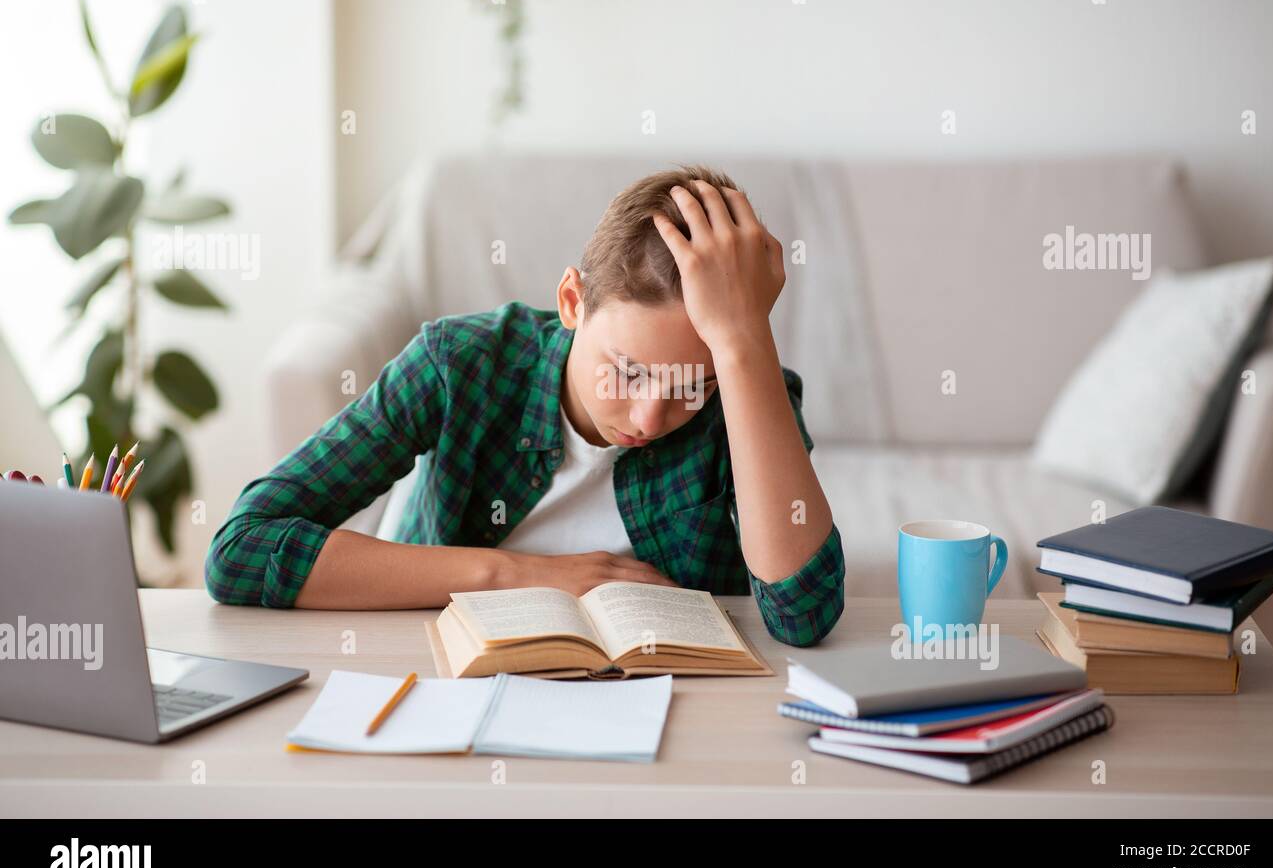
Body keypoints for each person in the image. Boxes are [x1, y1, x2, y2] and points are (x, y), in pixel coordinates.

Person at [205, 165, 844, 646]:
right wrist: (517, 573)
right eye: (625, 372)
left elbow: (802, 614)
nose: (650, 418)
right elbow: (242, 551)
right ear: (572, 301)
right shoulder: (460, 364)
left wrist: (742, 345)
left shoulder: (747, 389)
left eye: (689, 385)